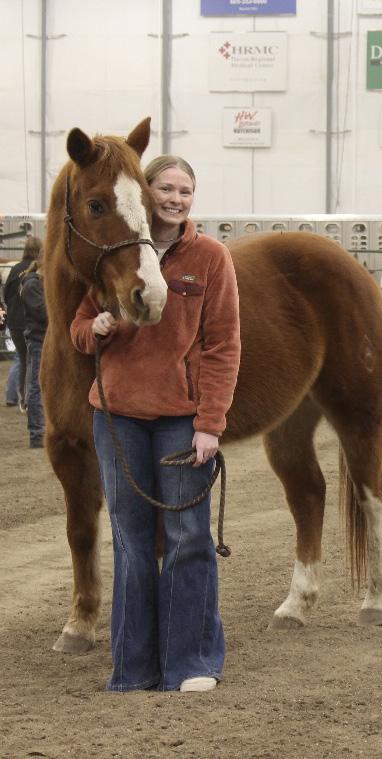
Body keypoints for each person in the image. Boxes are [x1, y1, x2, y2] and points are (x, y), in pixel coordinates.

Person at [70, 155, 241, 693]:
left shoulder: (210, 258)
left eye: (185, 191)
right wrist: (94, 329)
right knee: (131, 542)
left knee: (189, 538)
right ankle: (134, 667)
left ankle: (191, 662)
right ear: (145, 193)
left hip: (179, 420)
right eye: (165, 188)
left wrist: (210, 423)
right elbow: (79, 327)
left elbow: (224, 345)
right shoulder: (115, 251)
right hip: (117, 419)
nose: (175, 199)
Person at [4, 237, 42, 411]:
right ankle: (26, 399)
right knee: (29, 362)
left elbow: (5, 294)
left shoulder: (15, 269)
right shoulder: (38, 272)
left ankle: (15, 396)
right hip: (29, 321)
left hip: (14, 322)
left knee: (21, 359)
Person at [19, 257, 47, 448]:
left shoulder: (36, 284)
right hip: (38, 341)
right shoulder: (32, 286)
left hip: (43, 340)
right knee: (37, 386)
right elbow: (45, 313)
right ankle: (36, 433)